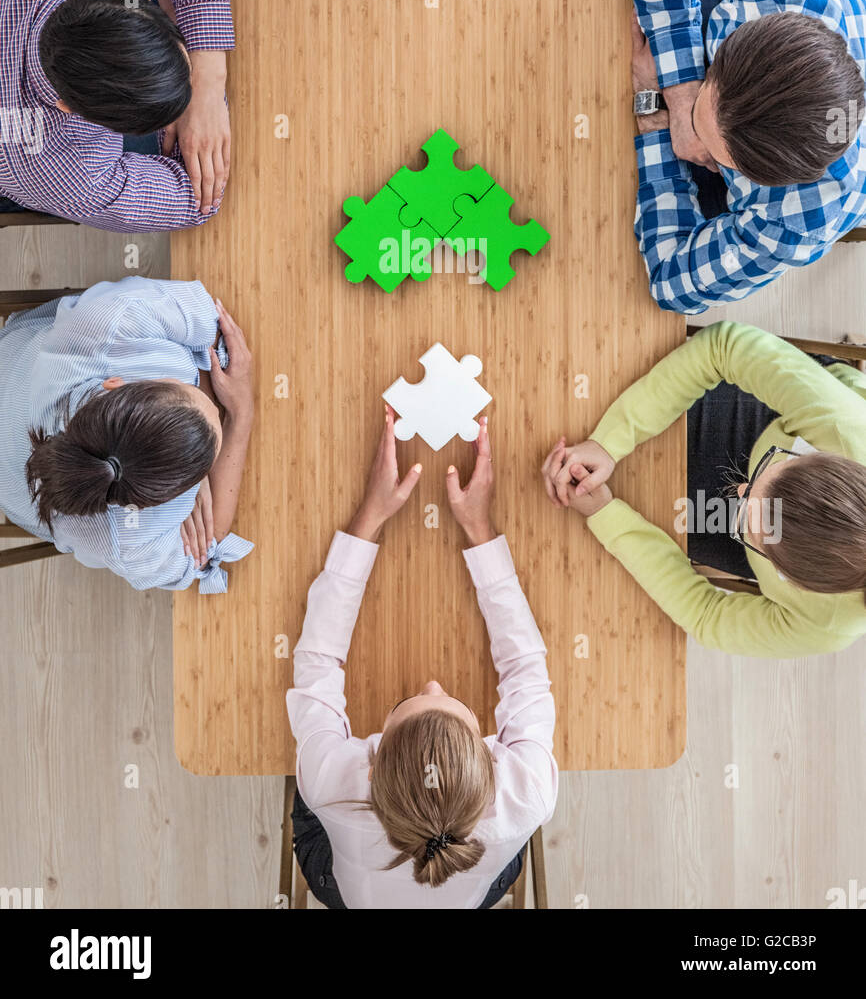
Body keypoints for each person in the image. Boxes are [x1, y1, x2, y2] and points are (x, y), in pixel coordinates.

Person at [288, 410, 557, 908]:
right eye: (453, 703)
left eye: (409, 701)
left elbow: (317, 660)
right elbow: (524, 667)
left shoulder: (332, 784)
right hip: (465, 887)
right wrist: (479, 529)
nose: (433, 683)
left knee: (305, 787)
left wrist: (370, 514)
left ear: (369, 770)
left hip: (345, 890)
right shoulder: (527, 791)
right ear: (492, 760)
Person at [542, 322, 866, 658]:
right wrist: (609, 442)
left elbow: (706, 616)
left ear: (790, 579)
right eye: (777, 467)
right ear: (820, 456)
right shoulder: (846, 424)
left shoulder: (825, 626)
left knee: (653, 509)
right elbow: (723, 347)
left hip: (782, 510)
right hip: (778, 421)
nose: (738, 489)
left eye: (751, 530)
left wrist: (606, 516)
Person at [628, 0, 866, 313]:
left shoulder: (795, 221)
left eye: (713, 152)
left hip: (744, 192)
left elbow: (670, 283)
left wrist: (654, 120)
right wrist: (682, 98)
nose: (693, 144)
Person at [0, 0, 234, 228]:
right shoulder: (62, 171)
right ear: (70, 110)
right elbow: (195, 200)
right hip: (34, 152)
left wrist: (209, 82)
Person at [0, 279, 254, 593]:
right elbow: (203, 552)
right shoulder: (128, 542)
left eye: (187, 387)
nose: (216, 408)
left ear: (116, 384)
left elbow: (207, 317)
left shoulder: (111, 320)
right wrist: (241, 414)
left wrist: (186, 459)